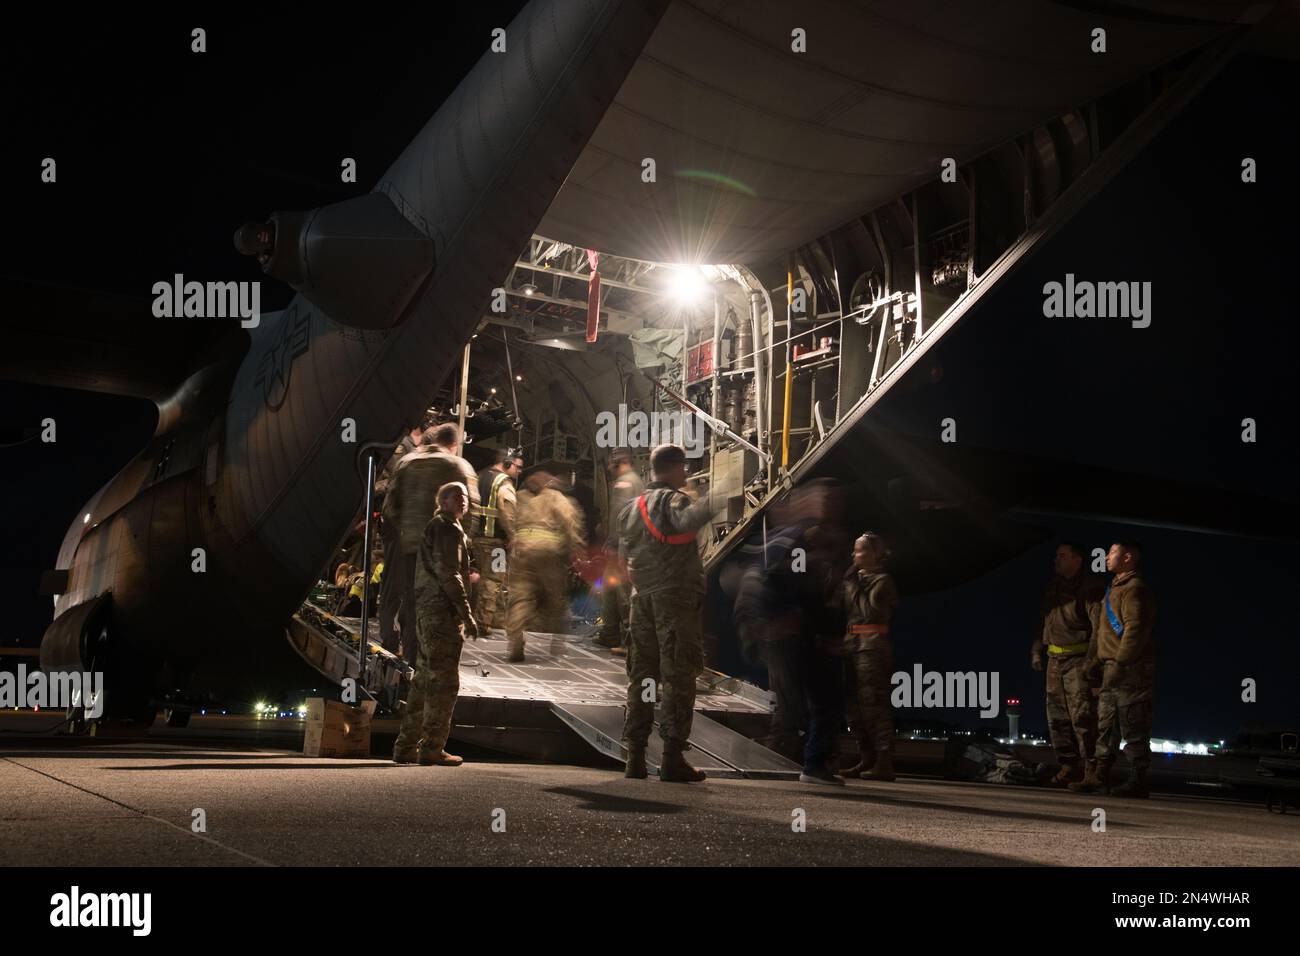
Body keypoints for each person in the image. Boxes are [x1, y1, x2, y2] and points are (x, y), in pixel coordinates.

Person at [734, 480, 849, 784]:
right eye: (828, 498)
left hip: (794, 633)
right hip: (789, 634)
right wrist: (768, 624)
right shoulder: (800, 543)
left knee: (810, 700)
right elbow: (787, 584)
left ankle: (804, 763)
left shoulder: (800, 541)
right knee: (810, 700)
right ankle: (799, 764)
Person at [618, 443, 715, 783]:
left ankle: (635, 757)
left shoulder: (631, 508)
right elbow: (687, 520)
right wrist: (713, 498)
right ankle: (672, 757)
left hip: (640, 599)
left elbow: (623, 556)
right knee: (677, 676)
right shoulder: (674, 500)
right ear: (678, 468)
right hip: (673, 600)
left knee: (642, 677)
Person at [393, 481, 481, 766]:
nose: (463, 501)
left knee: (422, 680)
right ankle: (432, 747)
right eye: (457, 497)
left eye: (465, 497)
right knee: (444, 682)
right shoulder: (448, 528)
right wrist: (466, 614)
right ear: (442, 501)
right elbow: (449, 574)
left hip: (425, 611)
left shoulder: (435, 526)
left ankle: (405, 746)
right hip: (442, 613)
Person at [380, 423, 479, 662]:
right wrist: (460, 540)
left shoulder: (407, 463)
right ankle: (435, 664)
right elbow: (472, 509)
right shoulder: (458, 466)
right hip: (443, 552)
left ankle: (412, 663)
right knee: (443, 608)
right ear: (454, 444)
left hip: (412, 548)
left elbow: (389, 508)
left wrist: (407, 531)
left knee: (412, 605)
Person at [1071, 539, 1157, 798]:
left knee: (1133, 725)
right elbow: (1104, 633)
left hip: (1130, 670)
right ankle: (1099, 777)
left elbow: (1135, 630)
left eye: (1112, 553)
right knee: (1106, 725)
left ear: (1128, 557)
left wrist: (1120, 662)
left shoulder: (1134, 590)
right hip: (1111, 668)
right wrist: (1094, 661)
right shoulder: (1115, 589)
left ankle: (1137, 779)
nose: (1106, 557)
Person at [1032, 542, 1105, 786]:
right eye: (1056, 555)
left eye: (1061, 556)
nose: (1056, 560)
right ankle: (1068, 766)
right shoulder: (1053, 588)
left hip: (1078, 661)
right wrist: (1037, 649)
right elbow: (1045, 620)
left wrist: (1092, 664)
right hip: (1054, 659)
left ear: (1077, 560)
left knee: (1083, 717)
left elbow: (1099, 629)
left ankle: (1092, 770)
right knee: (1057, 717)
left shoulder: (1090, 588)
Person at [503, 470, 585, 662]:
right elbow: (570, 524)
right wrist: (576, 549)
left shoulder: (519, 497)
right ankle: (557, 645)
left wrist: (513, 538)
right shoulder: (555, 497)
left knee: (520, 598)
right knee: (555, 599)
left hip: (522, 551)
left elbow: (507, 516)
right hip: (548, 553)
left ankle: (515, 641)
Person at [838, 532, 901, 782]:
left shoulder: (882, 581)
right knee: (854, 707)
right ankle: (866, 758)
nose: (854, 555)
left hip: (871, 646)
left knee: (872, 703)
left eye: (860, 550)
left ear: (876, 554)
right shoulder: (855, 580)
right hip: (851, 644)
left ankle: (884, 761)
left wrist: (852, 583)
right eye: (854, 550)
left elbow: (869, 610)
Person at [378, 423, 431, 654]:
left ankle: (408, 641)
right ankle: (389, 637)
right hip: (397, 526)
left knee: (409, 588)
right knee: (394, 585)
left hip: (411, 529)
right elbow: (384, 485)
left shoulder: (417, 454)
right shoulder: (398, 449)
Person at [595, 448, 642, 656]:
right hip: (629, 543)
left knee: (622, 591)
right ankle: (610, 632)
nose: (608, 468)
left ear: (618, 462)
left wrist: (612, 543)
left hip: (623, 545)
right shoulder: (637, 481)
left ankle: (627, 640)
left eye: (610, 464)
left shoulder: (625, 482)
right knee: (609, 588)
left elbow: (619, 514)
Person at [469, 448, 522, 630]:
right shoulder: (503, 482)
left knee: (484, 579)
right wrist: (513, 536)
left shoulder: (479, 476)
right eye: (517, 467)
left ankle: (493, 619)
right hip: (496, 542)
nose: (519, 471)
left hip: (477, 539)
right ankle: (483, 622)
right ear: (507, 463)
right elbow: (508, 512)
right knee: (493, 580)